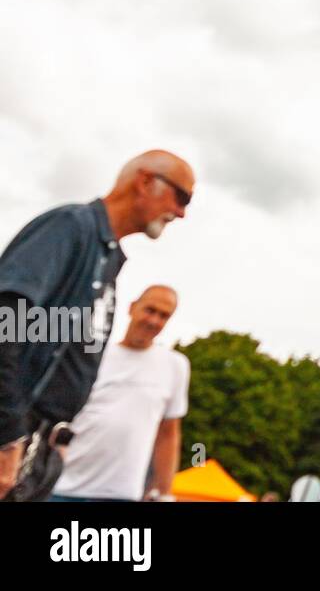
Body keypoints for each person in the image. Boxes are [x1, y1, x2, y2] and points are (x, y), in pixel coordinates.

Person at [0, 150, 195, 500]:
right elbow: (7, 320)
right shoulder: (71, 228)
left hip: (42, 452)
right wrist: (7, 435)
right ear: (146, 181)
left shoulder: (106, 259)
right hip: (13, 440)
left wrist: (58, 443)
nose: (181, 213)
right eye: (181, 196)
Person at [49, 285, 190, 502]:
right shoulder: (94, 356)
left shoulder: (175, 366)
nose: (154, 321)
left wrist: (164, 492)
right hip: (64, 487)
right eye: (150, 310)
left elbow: (168, 434)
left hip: (121, 494)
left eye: (164, 316)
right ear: (132, 307)